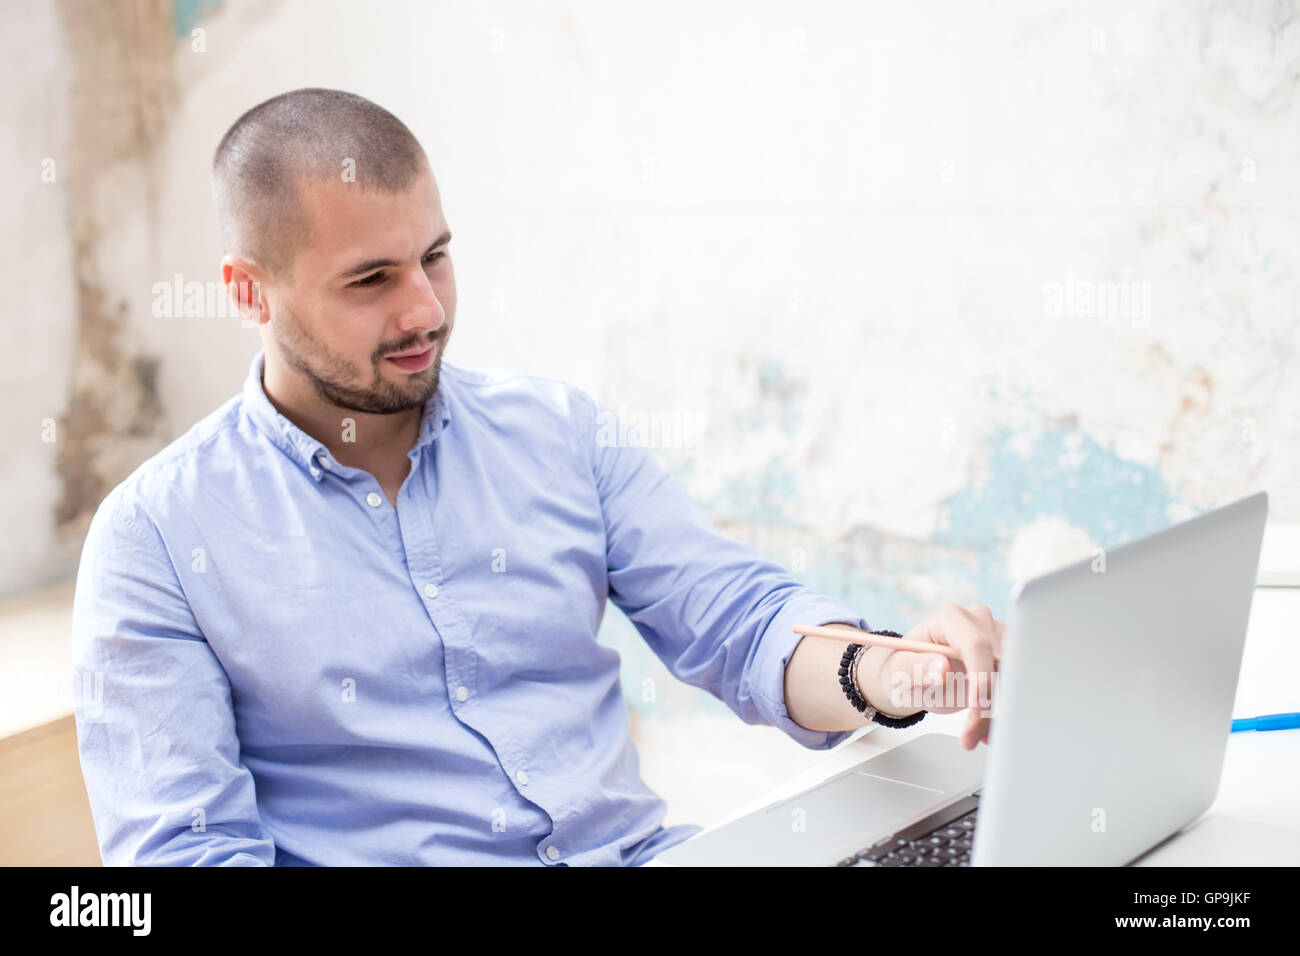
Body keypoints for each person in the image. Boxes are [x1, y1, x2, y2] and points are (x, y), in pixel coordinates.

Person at [71, 88, 1002, 866]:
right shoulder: (156, 538)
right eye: (371, 281)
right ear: (247, 292)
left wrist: (897, 672)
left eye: (435, 256)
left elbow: (743, 626)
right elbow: (187, 855)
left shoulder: (558, 434)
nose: (425, 309)